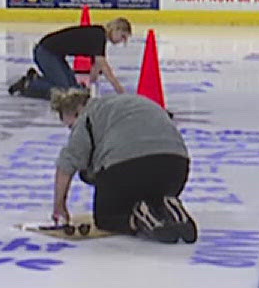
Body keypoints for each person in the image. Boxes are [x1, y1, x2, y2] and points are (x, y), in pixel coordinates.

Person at [48, 87, 198, 244]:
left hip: (127, 167)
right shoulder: (134, 102)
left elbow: (67, 163)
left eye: (70, 127)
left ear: (77, 111)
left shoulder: (88, 116)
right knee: (150, 193)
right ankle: (167, 206)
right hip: (176, 166)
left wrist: (59, 206)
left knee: (107, 218)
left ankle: (139, 219)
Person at [9, 17, 132, 99]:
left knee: (75, 91)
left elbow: (97, 66)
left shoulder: (99, 35)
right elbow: (104, 68)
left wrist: (91, 85)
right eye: (122, 36)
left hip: (55, 55)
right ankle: (29, 84)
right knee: (66, 92)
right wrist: (120, 90)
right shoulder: (98, 36)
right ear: (116, 29)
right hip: (45, 53)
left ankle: (36, 79)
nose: (121, 41)